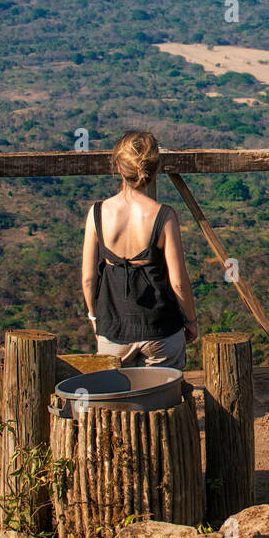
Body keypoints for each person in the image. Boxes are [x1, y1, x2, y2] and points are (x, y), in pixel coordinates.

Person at [81, 131, 200, 369]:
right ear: (155, 169)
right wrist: (191, 320)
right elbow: (178, 282)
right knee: (163, 396)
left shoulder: (97, 213)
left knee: (117, 400)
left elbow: (88, 278)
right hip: (161, 328)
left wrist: (95, 317)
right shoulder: (164, 216)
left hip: (113, 329)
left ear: (118, 166)